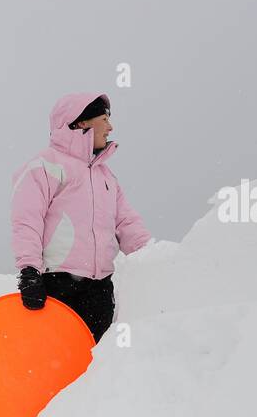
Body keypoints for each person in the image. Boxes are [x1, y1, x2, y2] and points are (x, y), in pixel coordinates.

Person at [10, 92, 152, 342]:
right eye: (104, 119)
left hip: (100, 289)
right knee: (59, 361)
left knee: (99, 367)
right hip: (58, 286)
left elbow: (126, 223)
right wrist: (29, 270)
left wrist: (154, 259)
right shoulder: (44, 167)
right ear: (82, 122)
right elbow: (27, 221)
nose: (110, 127)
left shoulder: (106, 176)